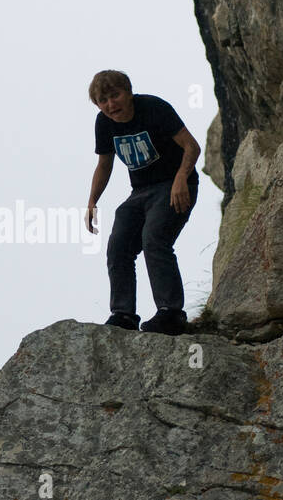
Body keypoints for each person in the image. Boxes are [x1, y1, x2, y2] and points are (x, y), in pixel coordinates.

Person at [85, 69, 201, 334]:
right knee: (118, 246)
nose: (111, 105)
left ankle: (171, 313)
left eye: (115, 95)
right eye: (103, 100)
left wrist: (182, 177)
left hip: (174, 186)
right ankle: (123, 315)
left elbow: (191, 146)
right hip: (140, 193)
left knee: (154, 240)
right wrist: (92, 200)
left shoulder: (154, 108)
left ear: (129, 93)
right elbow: (104, 164)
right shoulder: (104, 123)